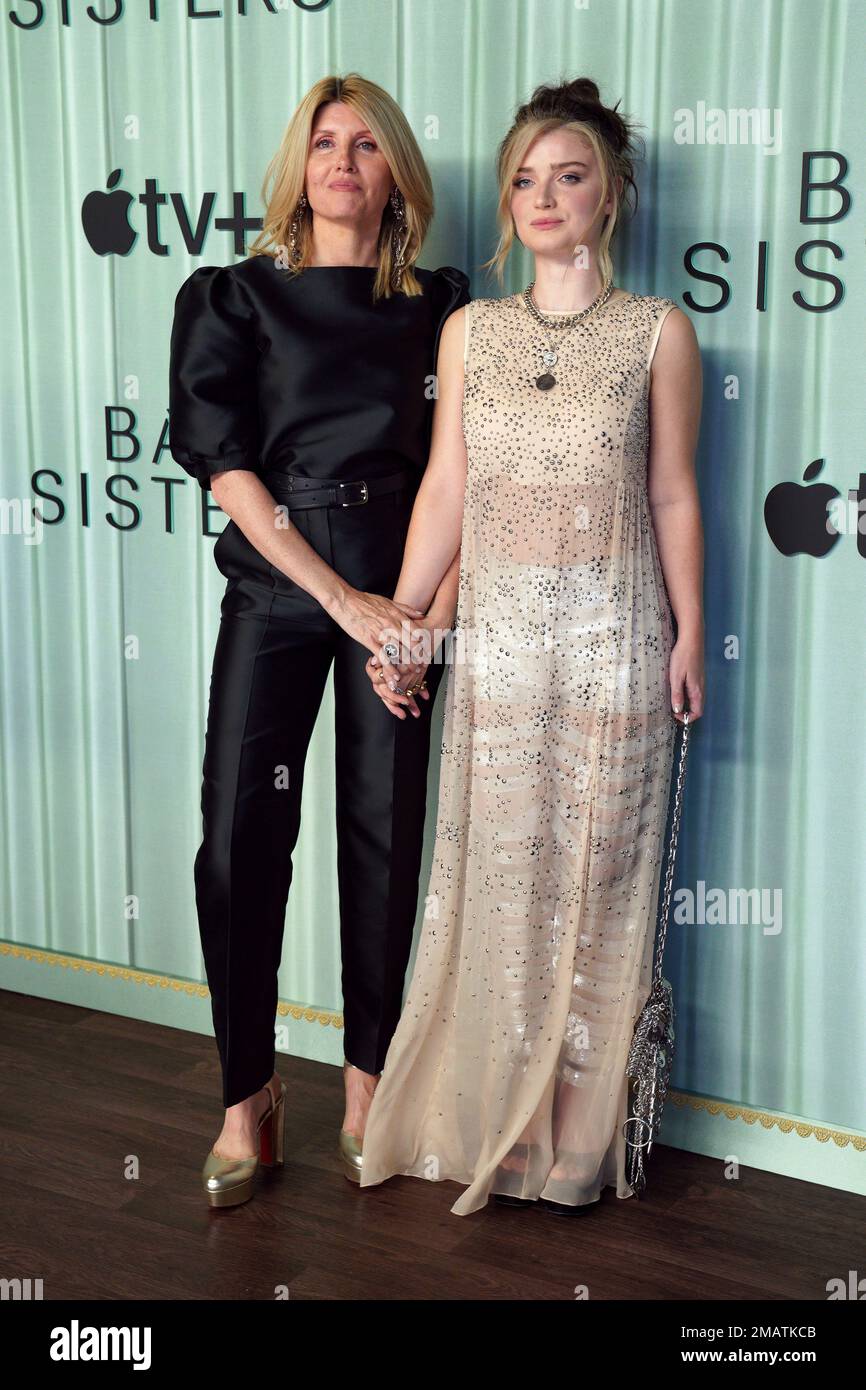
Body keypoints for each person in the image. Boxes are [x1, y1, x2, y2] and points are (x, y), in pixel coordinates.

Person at [356, 77, 705, 1217]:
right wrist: (405, 626)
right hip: (498, 653)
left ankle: (573, 1129)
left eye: (569, 175)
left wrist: (691, 630)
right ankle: (494, 1112)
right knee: (502, 883)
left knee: (596, 887)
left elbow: (669, 496)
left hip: (615, 647)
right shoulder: (471, 332)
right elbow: (446, 490)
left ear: (609, 197)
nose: (544, 195)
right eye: (523, 178)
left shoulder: (658, 331)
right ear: (506, 204)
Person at [167, 72, 470, 1207]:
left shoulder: (440, 304)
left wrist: (422, 623)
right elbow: (230, 469)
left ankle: (366, 1086)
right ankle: (247, 1099)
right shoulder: (233, 297)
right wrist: (339, 603)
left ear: (396, 172)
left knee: (384, 839)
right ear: (298, 165)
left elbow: (463, 476)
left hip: (404, 590)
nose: (343, 159)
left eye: (367, 145)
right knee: (238, 840)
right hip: (282, 590)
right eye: (323, 141)